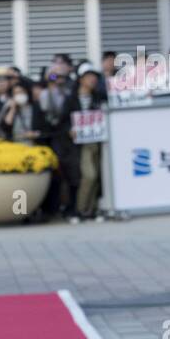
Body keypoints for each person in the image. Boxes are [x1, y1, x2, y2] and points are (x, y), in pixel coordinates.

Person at [64, 65, 106, 223]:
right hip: (80, 146)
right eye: (89, 76)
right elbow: (63, 121)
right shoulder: (71, 99)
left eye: (94, 76)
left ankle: (91, 210)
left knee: (97, 176)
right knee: (89, 175)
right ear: (81, 79)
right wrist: (70, 130)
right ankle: (80, 209)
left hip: (98, 142)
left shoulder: (99, 97)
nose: (92, 80)